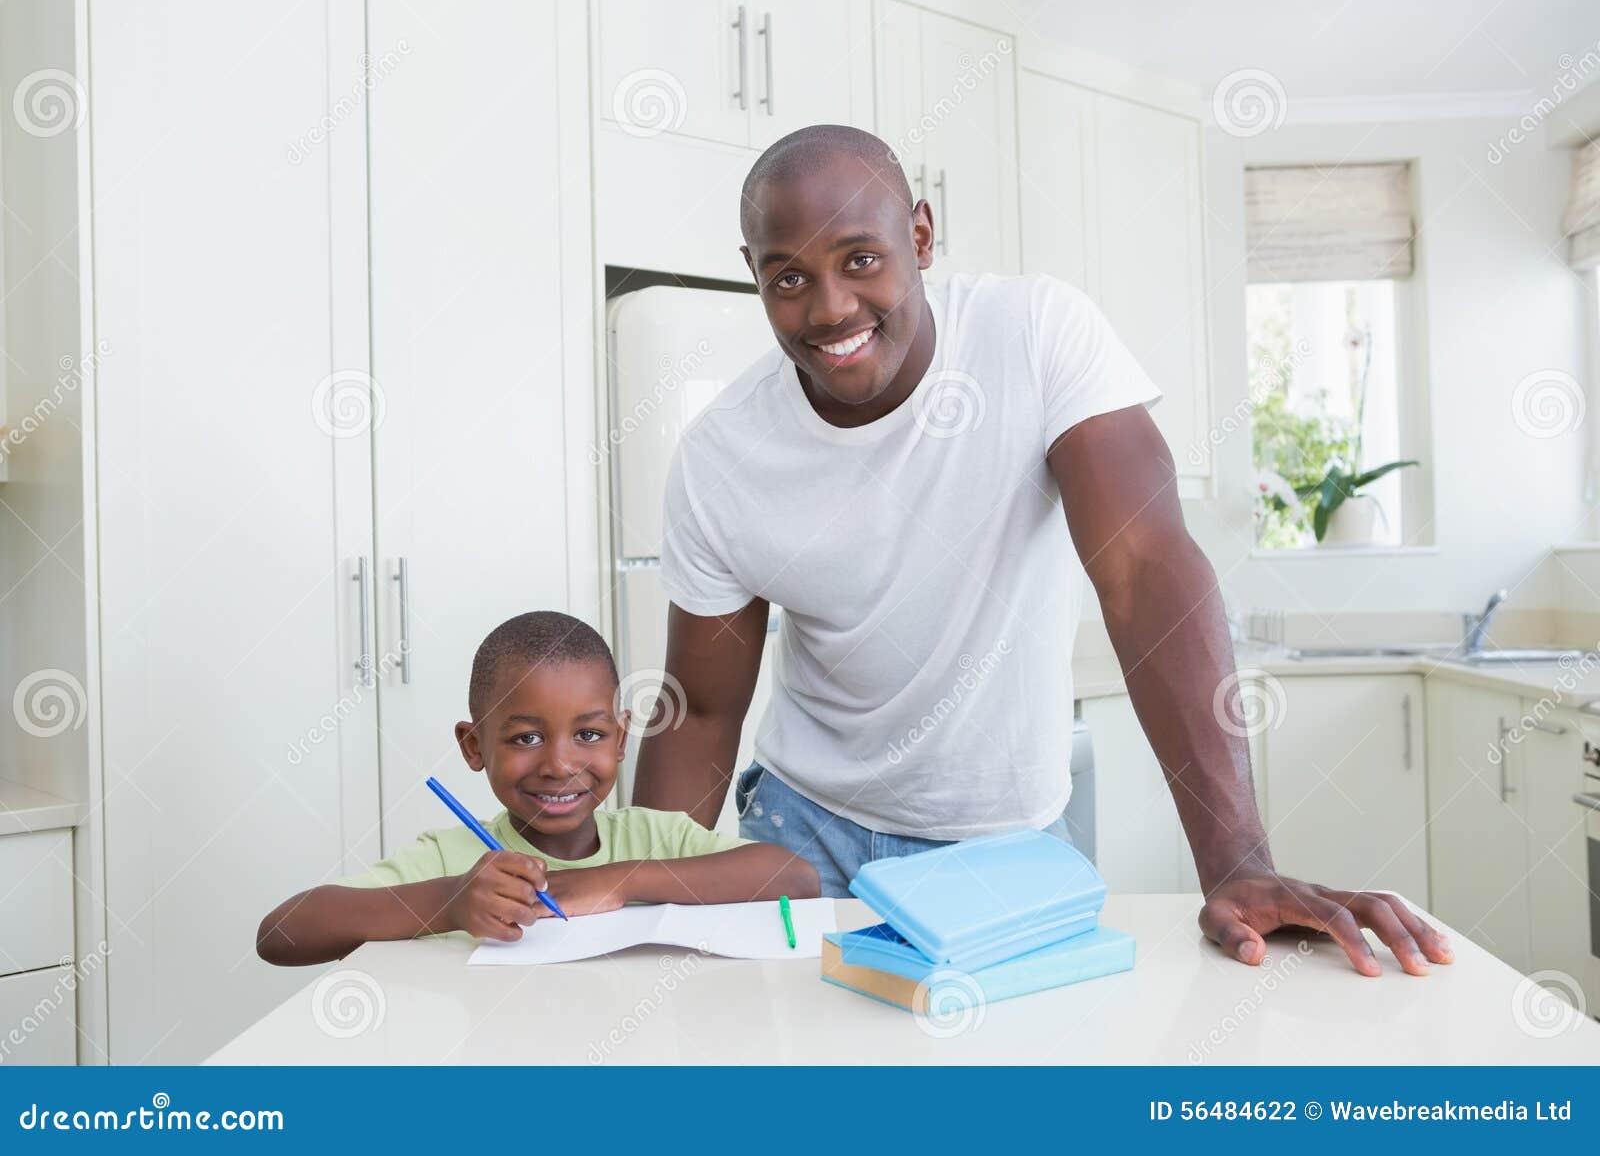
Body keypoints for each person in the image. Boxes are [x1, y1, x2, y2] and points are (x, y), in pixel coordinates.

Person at [631, 124, 1452, 978]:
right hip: (802, 837)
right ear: (753, 273)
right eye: (789, 277)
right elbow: (701, 709)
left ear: (920, 235)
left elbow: (1143, 575)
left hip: (1006, 850)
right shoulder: (722, 455)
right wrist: (635, 904)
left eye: (861, 259)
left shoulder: (1034, 333)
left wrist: (1237, 864)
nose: (830, 307)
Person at [257, 611, 817, 965]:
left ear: (621, 739)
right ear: (475, 747)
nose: (559, 763)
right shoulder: (452, 860)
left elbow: (796, 876)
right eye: (526, 737)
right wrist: (449, 903)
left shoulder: (653, 835)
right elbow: (282, 933)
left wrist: (618, 880)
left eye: (589, 734)